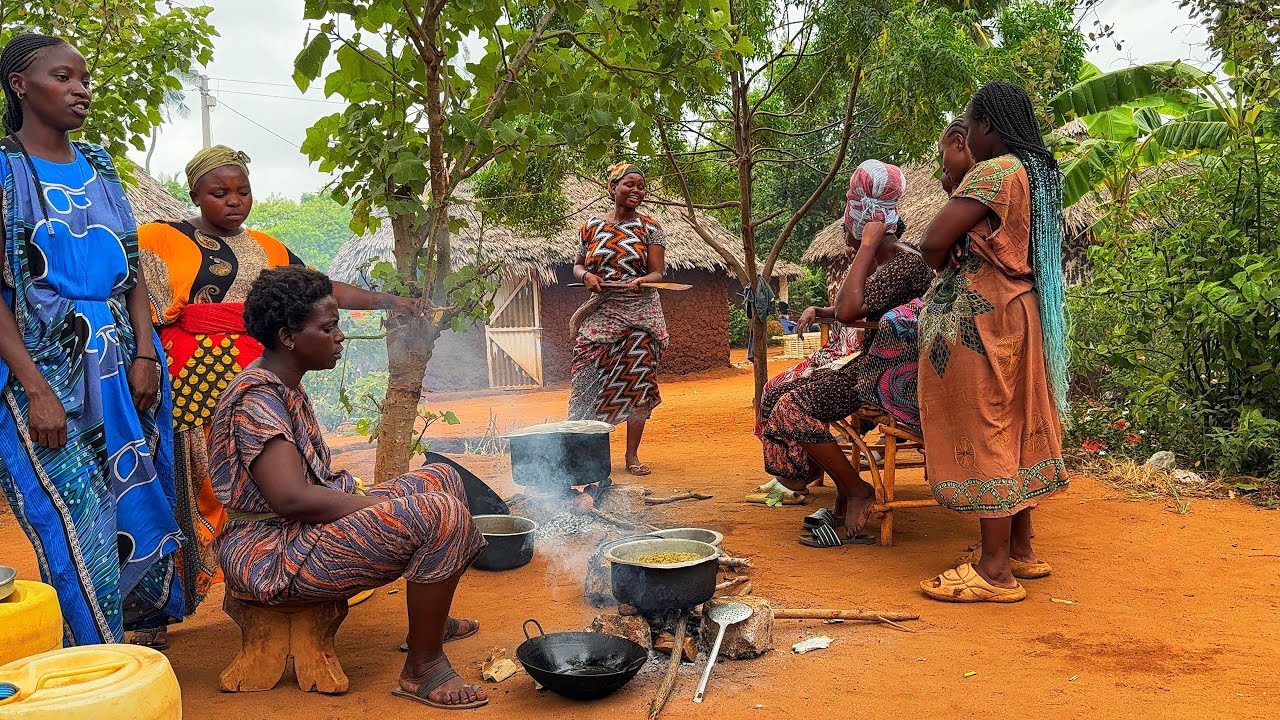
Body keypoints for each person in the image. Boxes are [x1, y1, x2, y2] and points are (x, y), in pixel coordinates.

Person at [133, 146, 423, 648]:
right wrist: (142, 356)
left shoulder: (268, 248)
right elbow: (134, 296)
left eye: (242, 191)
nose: (234, 201)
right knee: (181, 483)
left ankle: (277, 564)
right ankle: (159, 605)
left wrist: (387, 301)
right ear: (195, 194)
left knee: (267, 477)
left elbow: (320, 291)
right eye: (219, 193)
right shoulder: (158, 237)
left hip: (256, 372)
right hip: (186, 380)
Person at [208, 266, 487, 709]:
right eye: (328, 328)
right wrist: (372, 505)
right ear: (287, 336)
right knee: (439, 513)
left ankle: (430, 624)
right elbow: (291, 498)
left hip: (293, 532)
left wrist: (374, 503)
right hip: (271, 552)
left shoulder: (281, 384)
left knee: (442, 479)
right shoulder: (258, 399)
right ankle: (423, 667)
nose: (340, 337)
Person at [0, 33, 184, 645]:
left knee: (138, 491)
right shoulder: (4, 170)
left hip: (123, 361)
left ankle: (141, 624)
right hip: (43, 366)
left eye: (83, 80)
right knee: (73, 514)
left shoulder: (100, 166)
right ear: (20, 86)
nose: (80, 90)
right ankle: (93, 653)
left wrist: (144, 353)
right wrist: (35, 389)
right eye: (63, 78)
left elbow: (131, 268)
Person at [917, 82, 1070, 603]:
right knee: (1016, 419)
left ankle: (995, 569)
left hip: (987, 315)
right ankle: (1020, 549)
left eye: (970, 126)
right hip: (1021, 309)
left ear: (985, 125)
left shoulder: (995, 171)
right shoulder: (1038, 173)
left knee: (988, 422)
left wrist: (945, 256)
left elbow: (931, 242)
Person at [757, 160, 934, 545]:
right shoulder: (887, 263)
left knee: (791, 407)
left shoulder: (904, 263)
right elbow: (845, 307)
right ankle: (834, 485)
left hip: (889, 376)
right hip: (871, 366)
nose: (844, 230)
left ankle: (855, 490)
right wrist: (862, 259)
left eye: (848, 223)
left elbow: (850, 311)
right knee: (777, 395)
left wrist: (866, 246)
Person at [568, 162, 668, 476]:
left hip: (640, 316)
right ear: (612, 188)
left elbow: (658, 272)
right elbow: (577, 265)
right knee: (585, 379)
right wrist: (586, 277)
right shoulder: (591, 226)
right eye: (629, 184)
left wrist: (642, 280)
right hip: (602, 312)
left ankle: (631, 456)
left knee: (638, 381)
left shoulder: (651, 227)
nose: (636, 190)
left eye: (641, 186)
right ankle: (585, 457)